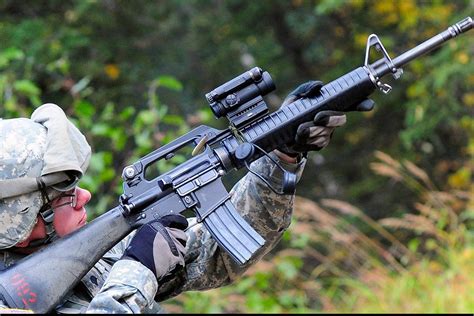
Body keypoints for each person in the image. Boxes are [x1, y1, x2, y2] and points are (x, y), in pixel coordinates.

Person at [0, 81, 351, 313]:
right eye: (66, 195)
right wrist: (138, 271)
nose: (84, 196)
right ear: (22, 216)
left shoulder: (83, 255)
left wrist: (282, 156)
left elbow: (221, 253)